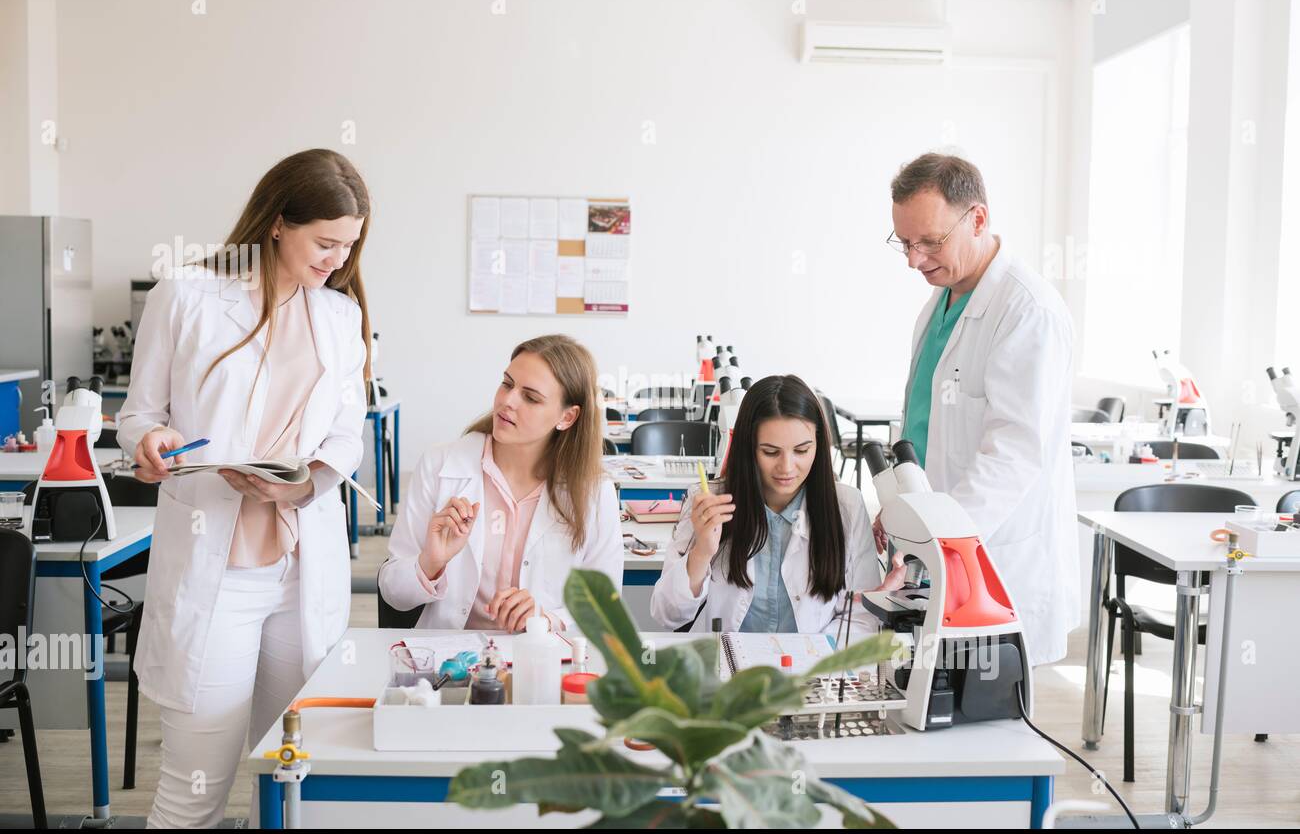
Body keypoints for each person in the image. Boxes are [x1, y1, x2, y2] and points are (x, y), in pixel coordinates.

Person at [118, 148, 371, 827]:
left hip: (303, 569)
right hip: (217, 573)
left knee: (293, 777)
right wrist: (148, 442)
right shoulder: (188, 296)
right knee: (194, 789)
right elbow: (140, 414)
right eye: (325, 242)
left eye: (349, 246)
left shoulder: (339, 318)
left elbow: (349, 433)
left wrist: (303, 485)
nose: (337, 261)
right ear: (278, 223)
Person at [882, 152, 1078, 665]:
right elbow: (925, 426)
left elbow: (1015, 453)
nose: (913, 259)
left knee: (993, 721)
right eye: (904, 243)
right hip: (940, 545)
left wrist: (937, 538)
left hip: (995, 554)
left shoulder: (1026, 310)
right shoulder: (941, 302)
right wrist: (905, 513)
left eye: (929, 241)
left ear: (978, 218)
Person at [380, 335, 622, 632]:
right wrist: (430, 563)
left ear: (567, 417)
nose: (508, 401)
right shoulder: (439, 465)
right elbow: (393, 594)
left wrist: (547, 619)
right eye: (507, 384)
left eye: (531, 397)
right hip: (450, 662)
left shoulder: (595, 492)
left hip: (543, 657)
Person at [652, 374, 902, 633]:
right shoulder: (709, 503)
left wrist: (809, 663)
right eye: (770, 452)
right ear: (749, 448)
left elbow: (860, 619)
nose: (786, 467)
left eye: (802, 450)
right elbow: (667, 615)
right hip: (727, 669)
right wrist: (702, 553)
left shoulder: (847, 507)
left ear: (819, 445)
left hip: (812, 670)